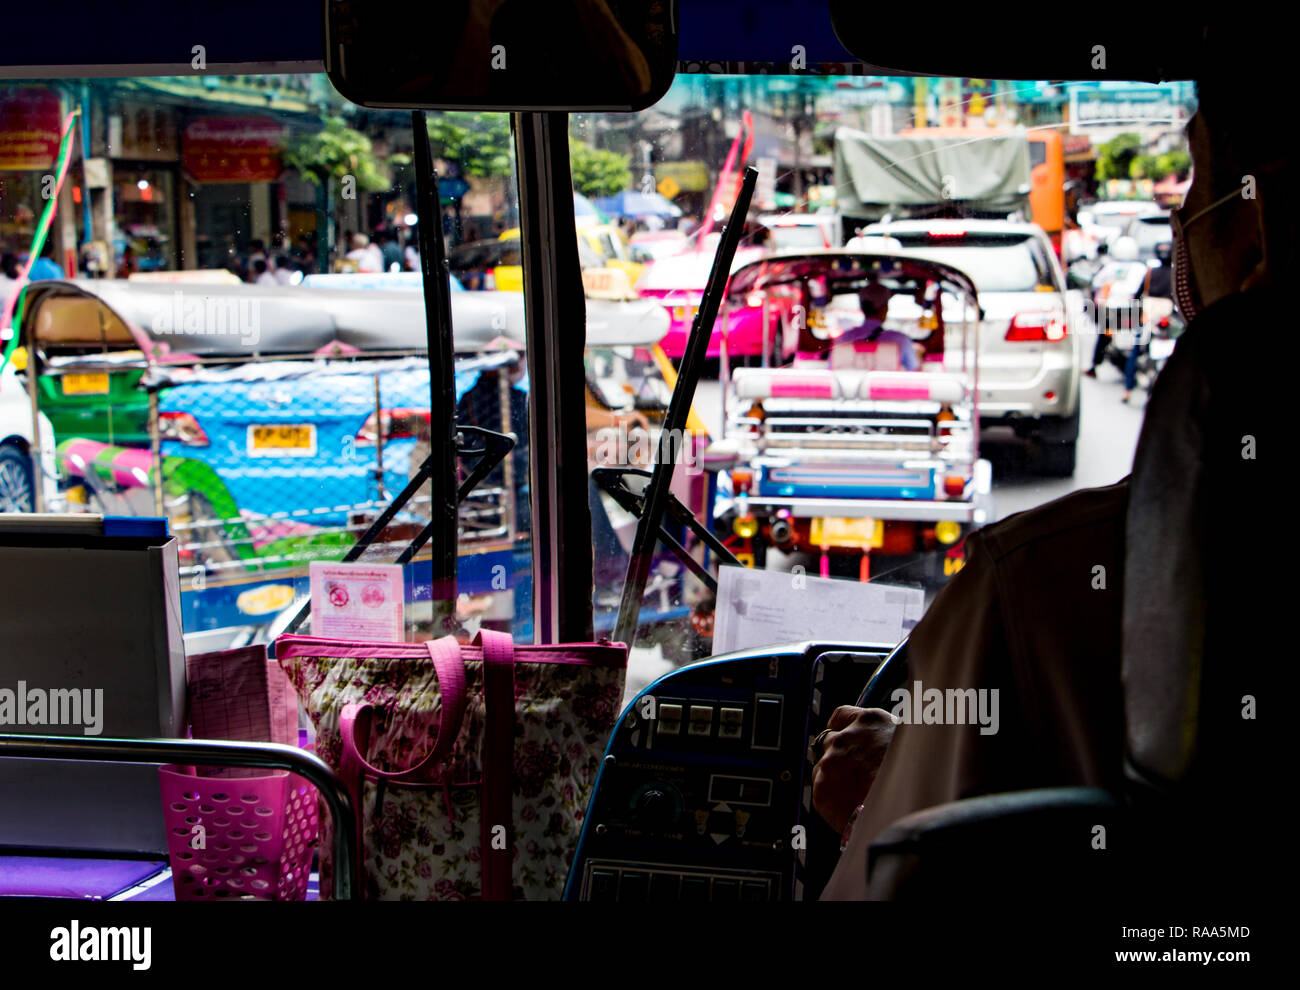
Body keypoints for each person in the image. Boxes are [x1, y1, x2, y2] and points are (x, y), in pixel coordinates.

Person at [814, 47, 1287, 899]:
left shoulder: (1032, 588)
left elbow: (900, 867)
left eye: (1194, 182)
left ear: (1259, 236)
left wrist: (878, 796)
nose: (1178, 221)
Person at [1121, 242, 1173, 402]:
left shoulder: (1151, 273)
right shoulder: (1175, 274)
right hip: (1167, 318)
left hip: (1148, 316)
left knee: (1135, 351)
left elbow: (1137, 295)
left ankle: (1127, 390)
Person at [835, 282, 921, 371]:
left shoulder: (842, 339)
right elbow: (914, 371)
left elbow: (832, 367)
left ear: (862, 308)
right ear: (885, 308)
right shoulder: (901, 340)